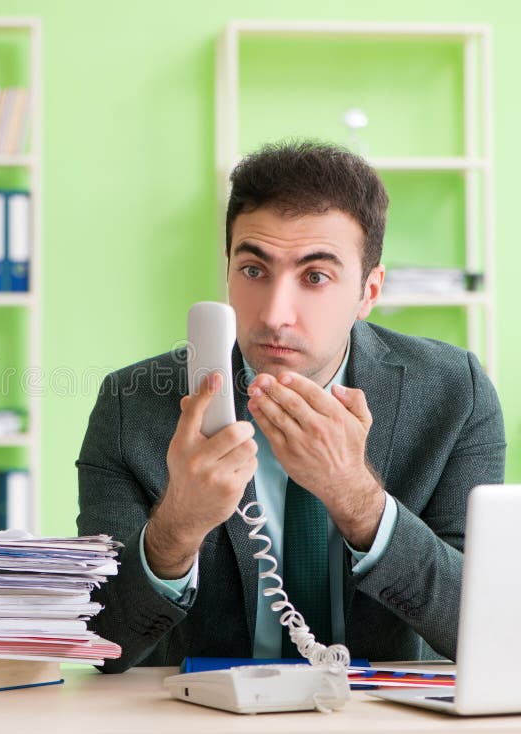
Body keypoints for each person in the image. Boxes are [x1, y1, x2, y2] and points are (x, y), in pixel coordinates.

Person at [76, 140, 506, 673]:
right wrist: (177, 529)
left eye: (315, 276)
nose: (276, 314)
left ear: (369, 290)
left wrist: (357, 499)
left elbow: (490, 628)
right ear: (228, 270)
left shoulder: (454, 394)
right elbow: (101, 642)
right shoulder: (131, 404)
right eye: (254, 270)